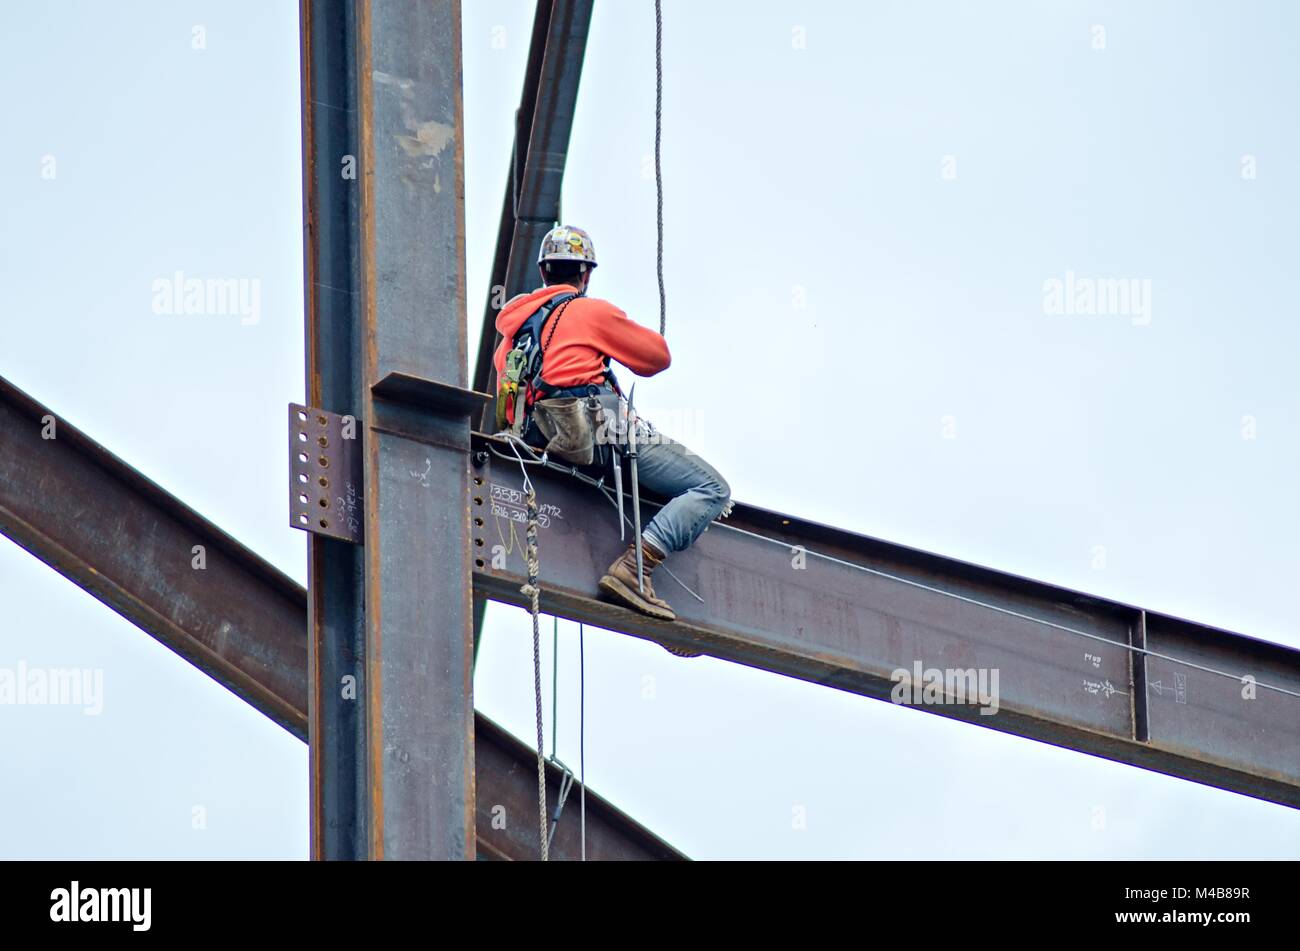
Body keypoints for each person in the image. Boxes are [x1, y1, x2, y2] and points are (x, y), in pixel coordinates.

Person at [492, 225, 731, 641]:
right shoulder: (590, 312)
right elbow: (657, 358)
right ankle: (636, 569)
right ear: (585, 275)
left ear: (545, 273)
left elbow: (509, 402)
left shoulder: (510, 339)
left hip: (540, 440)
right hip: (601, 431)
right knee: (711, 489)